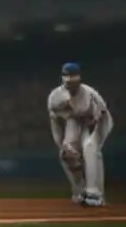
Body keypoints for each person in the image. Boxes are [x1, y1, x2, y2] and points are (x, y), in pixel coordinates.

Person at [47, 62, 113, 207]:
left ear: (79, 78)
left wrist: (88, 145)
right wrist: (64, 147)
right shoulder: (54, 98)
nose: (70, 80)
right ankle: (79, 191)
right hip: (75, 121)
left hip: (100, 121)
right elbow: (56, 125)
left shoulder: (89, 96)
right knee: (66, 154)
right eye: (67, 76)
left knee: (90, 148)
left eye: (73, 76)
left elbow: (99, 120)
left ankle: (95, 193)